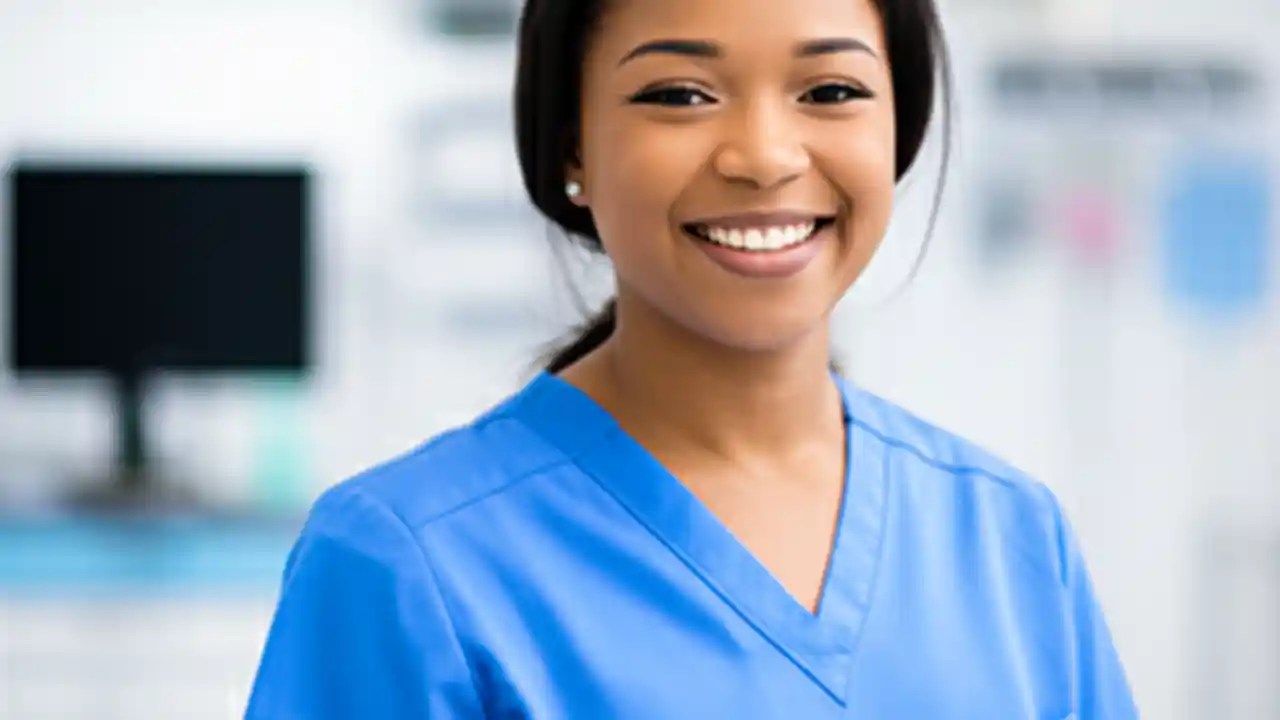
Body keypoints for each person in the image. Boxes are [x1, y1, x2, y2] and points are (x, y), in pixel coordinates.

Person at [247, 0, 1139, 716]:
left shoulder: (1009, 538)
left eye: (829, 92)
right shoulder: (404, 564)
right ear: (573, 149)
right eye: (680, 93)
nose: (764, 157)